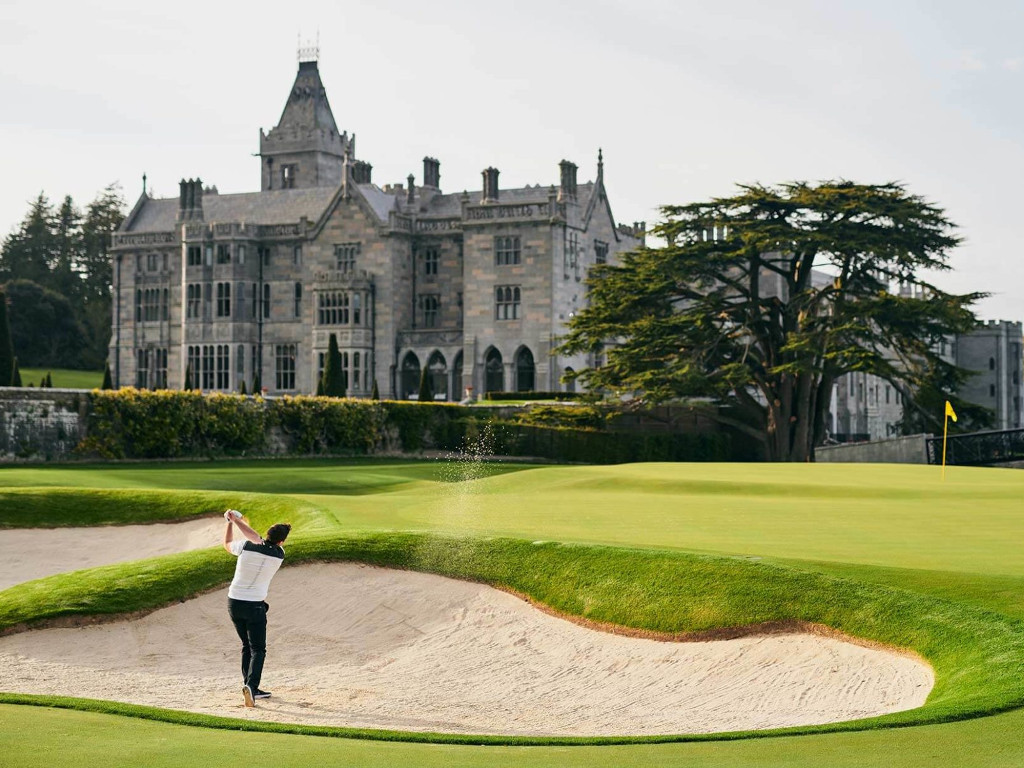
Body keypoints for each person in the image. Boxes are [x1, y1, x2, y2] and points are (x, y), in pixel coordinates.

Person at [222, 509, 291, 708]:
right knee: (258, 649)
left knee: (247, 645)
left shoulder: (245, 546)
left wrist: (231, 522)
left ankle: (249, 686)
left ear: (266, 535)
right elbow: (256, 538)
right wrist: (237, 520)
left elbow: (227, 544)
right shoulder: (279, 554)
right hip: (255, 607)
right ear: (281, 542)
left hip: (234, 603)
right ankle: (252, 687)